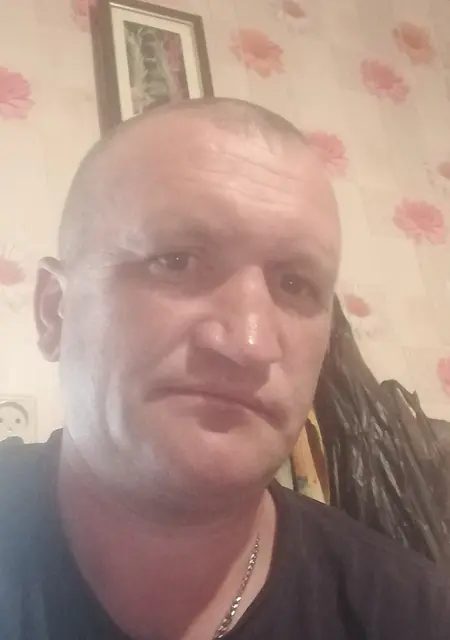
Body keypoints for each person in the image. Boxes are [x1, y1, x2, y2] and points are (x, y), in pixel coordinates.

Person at [0, 98, 449, 640]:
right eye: (176, 260)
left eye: (295, 284)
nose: (250, 343)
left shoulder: (417, 617)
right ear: (55, 312)